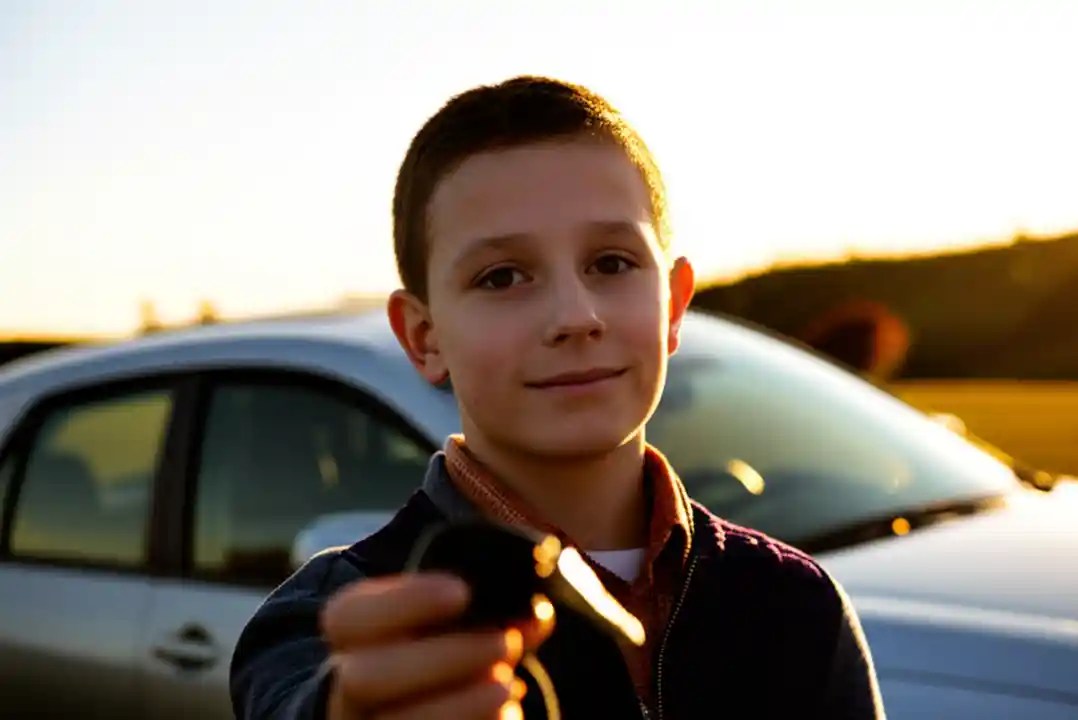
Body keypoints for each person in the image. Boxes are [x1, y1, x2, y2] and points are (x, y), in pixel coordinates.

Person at [229, 76, 885, 720]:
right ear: (424, 338)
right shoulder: (327, 626)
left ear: (673, 305)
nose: (575, 316)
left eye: (611, 263)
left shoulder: (796, 604)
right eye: (502, 277)